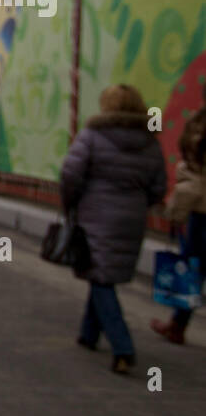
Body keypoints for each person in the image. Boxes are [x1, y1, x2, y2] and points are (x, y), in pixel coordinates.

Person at [60, 84, 166, 373]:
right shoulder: (150, 142)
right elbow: (159, 186)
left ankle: (123, 347)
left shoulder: (93, 135)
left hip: (96, 215)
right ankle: (88, 334)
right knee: (102, 272)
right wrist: (137, 203)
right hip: (132, 219)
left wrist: (71, 203)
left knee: (101, 277)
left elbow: (71, 173)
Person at [152, 100, 206, 344]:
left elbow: (195, 175)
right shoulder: (199, 124)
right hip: (200, 212)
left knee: (194, 267)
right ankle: (177, 324)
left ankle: (177, 325)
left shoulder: (199, 125)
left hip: (202, 214)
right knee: (194, 267)